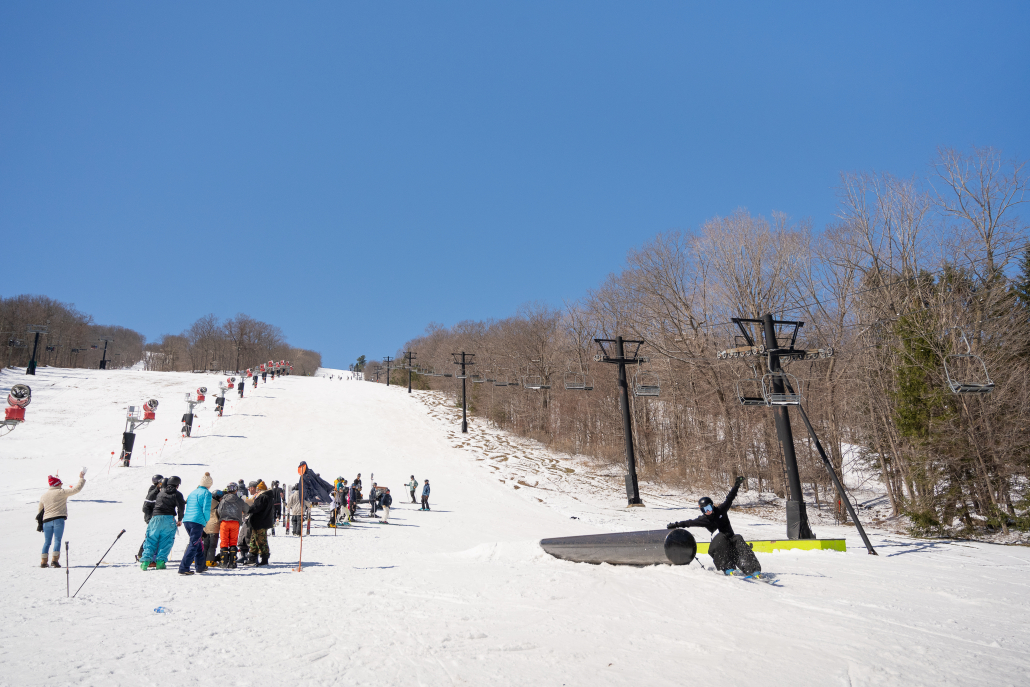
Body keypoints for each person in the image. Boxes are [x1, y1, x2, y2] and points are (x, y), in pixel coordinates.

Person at [667, 476, 759, 574]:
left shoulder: (721, 510)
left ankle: (752, 568)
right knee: (721, 537)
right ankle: (727, 568)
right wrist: (676, 525)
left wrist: (736, 485)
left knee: (738, 538)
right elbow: (689, 523)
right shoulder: (704, 519)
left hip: (730, 542)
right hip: (717, 547)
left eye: (709, 508)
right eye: (704, 510)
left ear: (712, 505)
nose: (708, 511)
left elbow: (730, 498)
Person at [36, 471, 86, 568]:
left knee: (47, 541)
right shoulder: (61, 492)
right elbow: (76, 489)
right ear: (56, 484)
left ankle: (43, 562)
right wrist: (81, 478)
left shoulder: (43, 496)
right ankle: (54, 561)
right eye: (60, 483)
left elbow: (40, 510)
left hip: (46, 521)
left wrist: (40, 522)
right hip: (58, 519)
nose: (61, 485)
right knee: (57, 540)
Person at [141, 476, 185, 571]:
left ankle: (145, 562)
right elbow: (181, 508)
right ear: (177, 485)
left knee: (151, 540)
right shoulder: (177, 494)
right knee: (166, 541)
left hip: (155, 518)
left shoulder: (160, 493)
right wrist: (180, 519)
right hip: (168, 519)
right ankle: (160, 562)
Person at [178, 473, 213, 575]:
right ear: (209, 484)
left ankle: (200, 566)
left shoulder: (193, 492)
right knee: (194, 544)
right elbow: (206, 509)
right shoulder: (207, 493)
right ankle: (184, 568)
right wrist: (206, 520)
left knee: (197, 543)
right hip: (197, 521)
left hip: (187, 520)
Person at [217, 483, 249, 569]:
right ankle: (232, 562)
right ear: (236, 490)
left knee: (224, 541)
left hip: (224, 522)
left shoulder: (223, 500)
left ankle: (223, 562)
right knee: (233, 541)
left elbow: (219, 511)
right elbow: (247, 509)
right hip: (235, 523)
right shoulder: (239, 500)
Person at [245, 480, 275, 566]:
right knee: (254, 540)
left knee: (261, 541)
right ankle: (252, 557)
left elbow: (256, 508)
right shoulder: (268, 497)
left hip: (260, 522)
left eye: (258, 489)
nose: (257, 491)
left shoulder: (262, 497)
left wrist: (248, 508)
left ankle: (264, 559)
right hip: (261, 522)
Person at [136, 474, 164, 563]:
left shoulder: (158, 491)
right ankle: (142, 554)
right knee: (150, 537)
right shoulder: (153, 492)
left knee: (154, 536)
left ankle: (151, 554)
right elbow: (145, 507)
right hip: (152, 518)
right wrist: (149, 518)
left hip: (156, 518)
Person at [204, 490, 223, 567]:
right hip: (214, 527)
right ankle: (210, 561)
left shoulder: (206, 503)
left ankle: (203, 559)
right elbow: (220, 515)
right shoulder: (218, 505)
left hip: (205, 526)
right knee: (212, 545)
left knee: (205, 545)